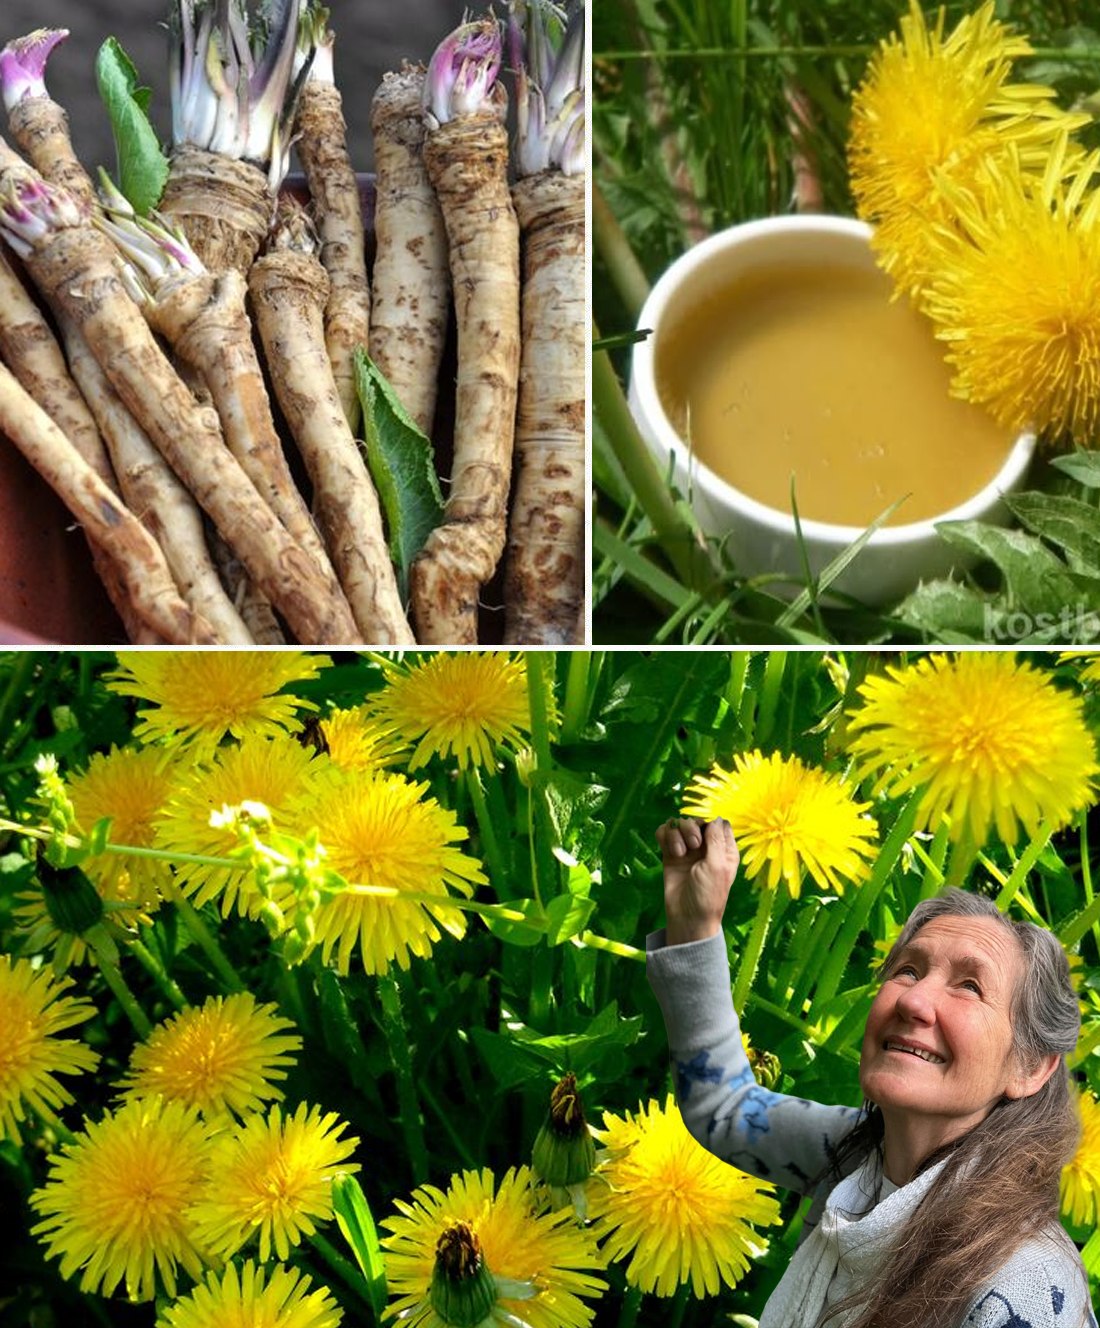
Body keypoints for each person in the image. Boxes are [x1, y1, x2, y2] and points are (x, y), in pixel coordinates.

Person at [647, 816, 1098, 1328]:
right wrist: (694, 925)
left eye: (969, 986)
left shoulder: (1024, 1287)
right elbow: (723, 1109)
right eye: (908, 969)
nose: (915, 999)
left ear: (1030, 1066)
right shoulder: (856, 1154)